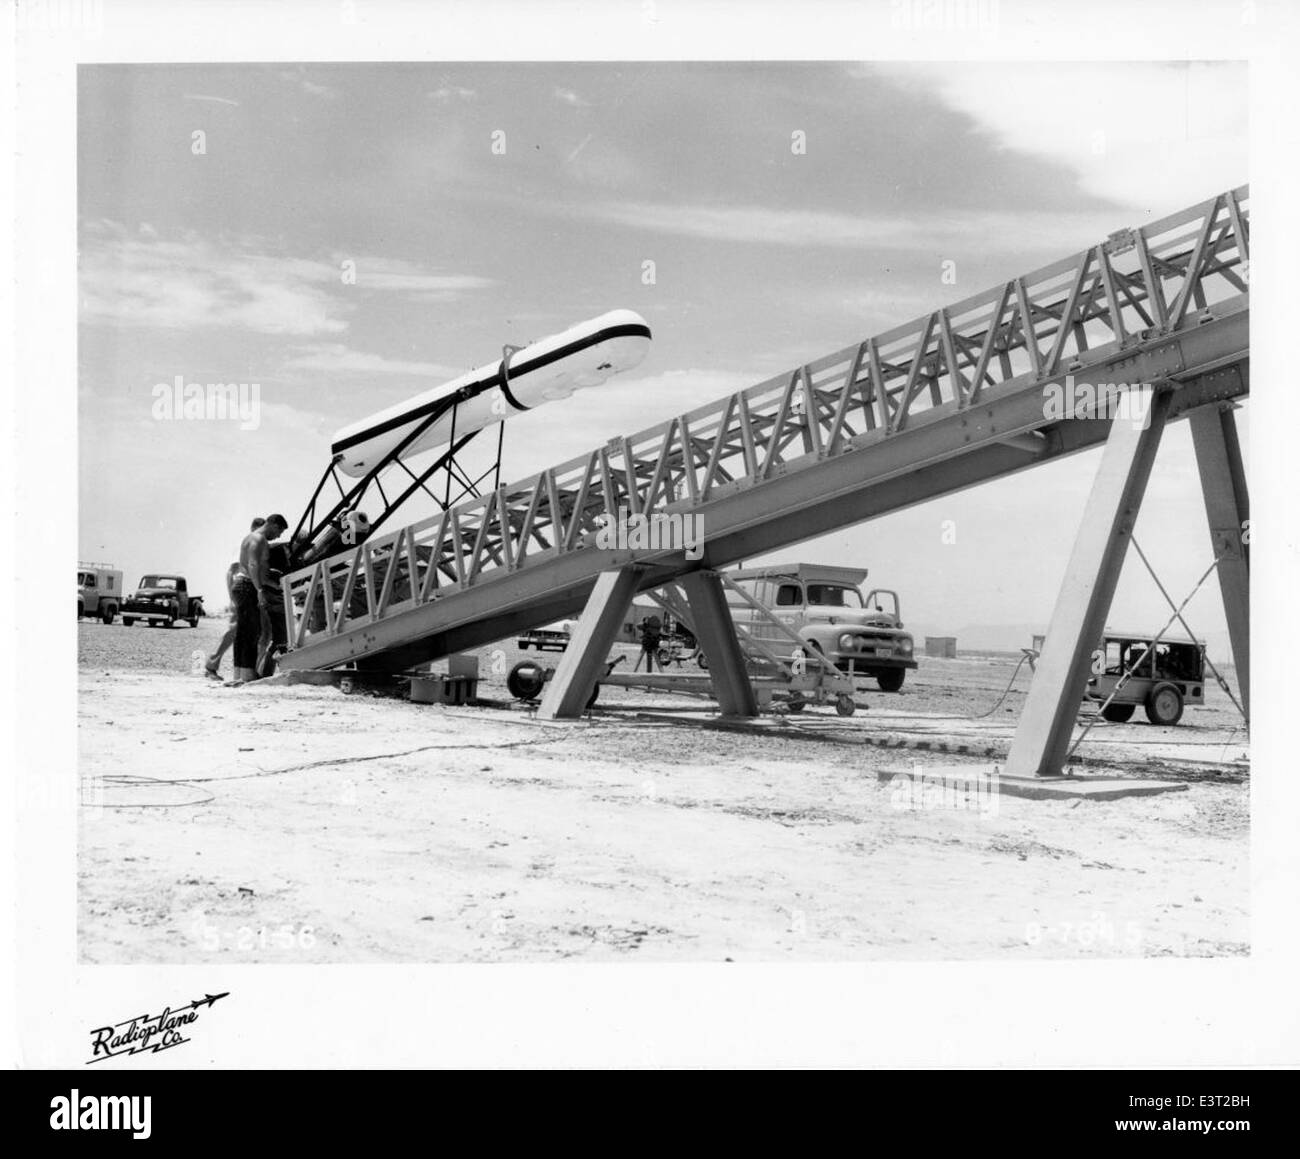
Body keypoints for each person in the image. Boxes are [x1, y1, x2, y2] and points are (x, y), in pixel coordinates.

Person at [231, 512, 288, 684]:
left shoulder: (250, 538)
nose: (278, 536)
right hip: (248, 586)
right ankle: (248, 675)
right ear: (274, 525)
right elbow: (253, 565)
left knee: (243, 632)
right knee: (252, 631)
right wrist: (260, 590)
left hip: (242, 584)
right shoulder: (259, 539)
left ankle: (239, 674)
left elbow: (256, 568)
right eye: (280, 532)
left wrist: (270, 583)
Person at [205, 518, 265, 680]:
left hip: (242, 591)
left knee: (240, 631)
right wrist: (231, 598)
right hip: (241, 591)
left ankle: (225, 667)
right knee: (234, 629)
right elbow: (231, 572)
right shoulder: (246, 544)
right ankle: (211, 663)